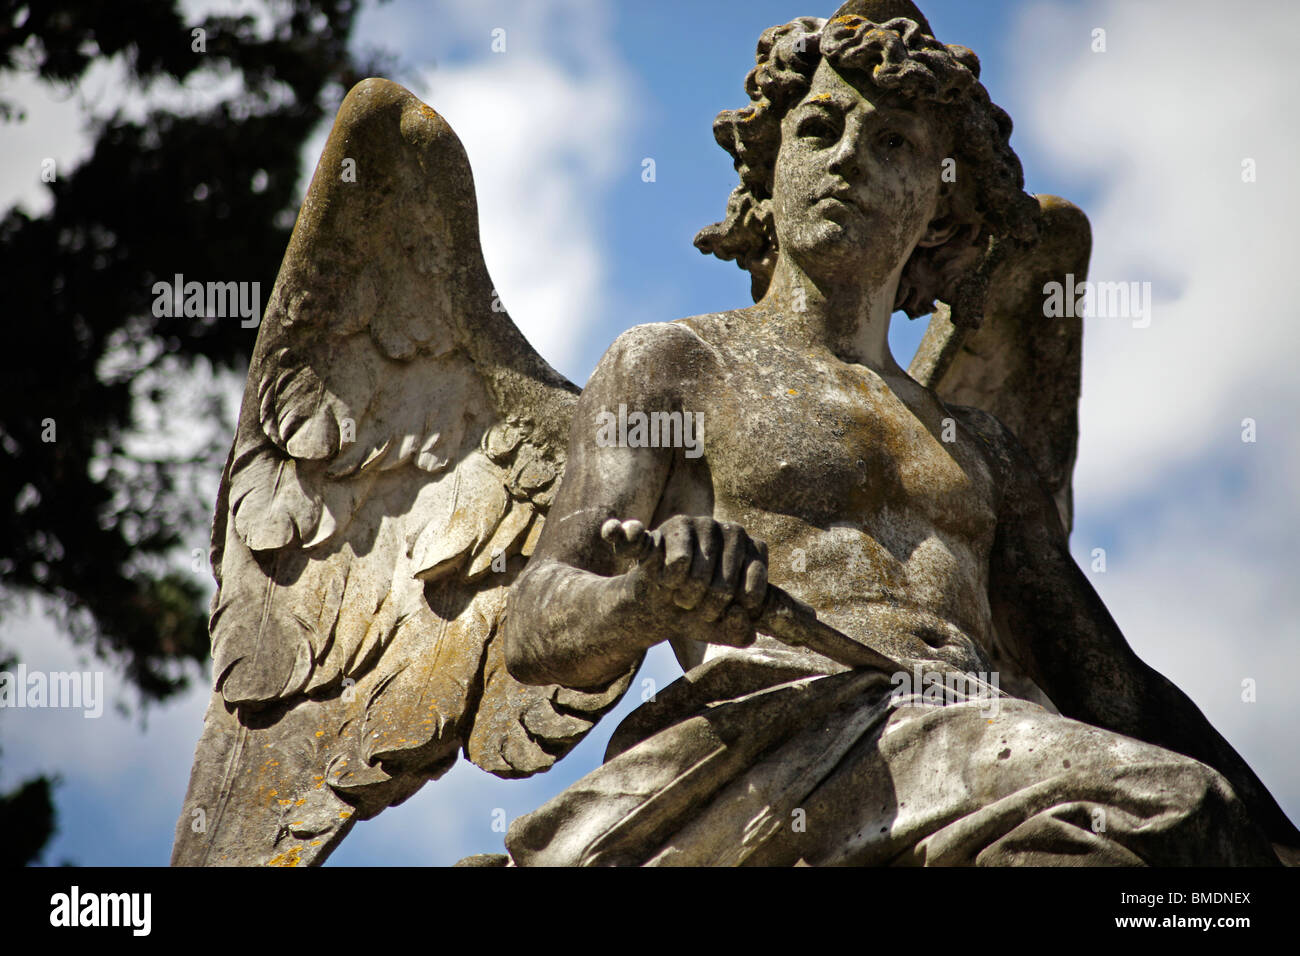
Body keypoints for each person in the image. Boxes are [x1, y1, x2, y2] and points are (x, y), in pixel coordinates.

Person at [499, 9, 1298, 866]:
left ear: (942, 208)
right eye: (818, 129)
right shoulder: (675, 363)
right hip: (788, 732)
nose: (847, 157)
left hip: (975, 729)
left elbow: (1109, 685)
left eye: (893, 145)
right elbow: (535, 625)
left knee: (1189, 837)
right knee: (1165, 800)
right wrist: (647, 600)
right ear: (770, 172)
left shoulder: (982, 448)